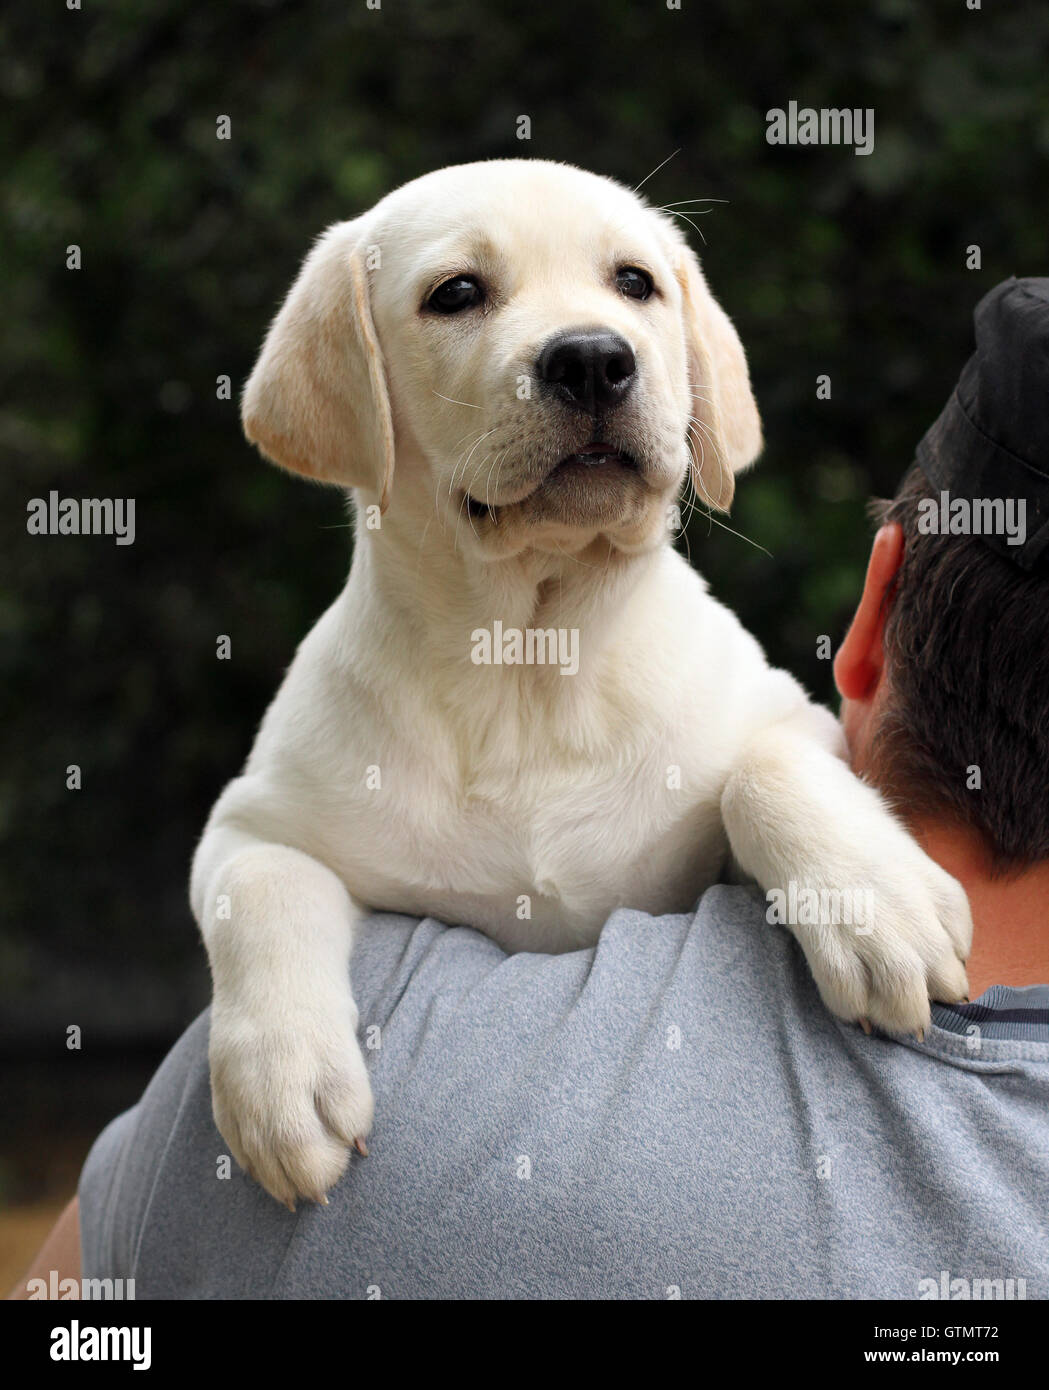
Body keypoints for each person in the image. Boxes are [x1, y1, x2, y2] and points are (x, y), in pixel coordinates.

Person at [13, 277, 1049, 1300]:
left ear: (868, 620)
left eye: (631, 285)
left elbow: (71, 1303)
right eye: (460, 293)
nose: (586, 347)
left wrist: (782, 797)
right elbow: (262, 842)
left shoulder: (367, 1028)